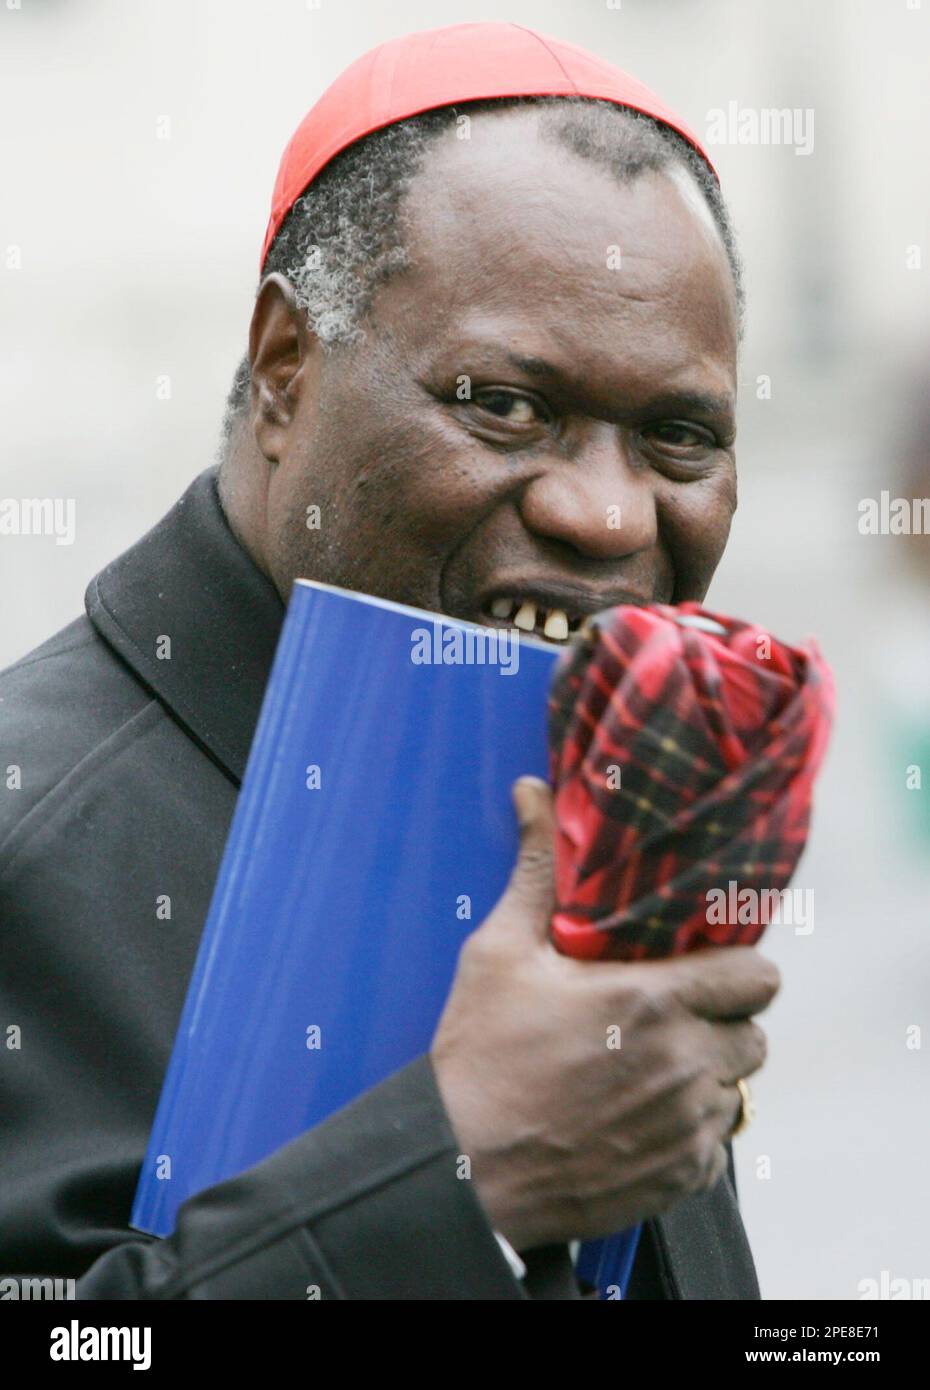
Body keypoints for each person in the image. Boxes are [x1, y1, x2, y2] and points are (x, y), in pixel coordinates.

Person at [0, 23, 779, 1300]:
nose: (610, 515)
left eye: (678, 436)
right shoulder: (30, 837)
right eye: (505, 402)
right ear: (284, 366)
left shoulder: (617, 810)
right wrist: (468, 1176)